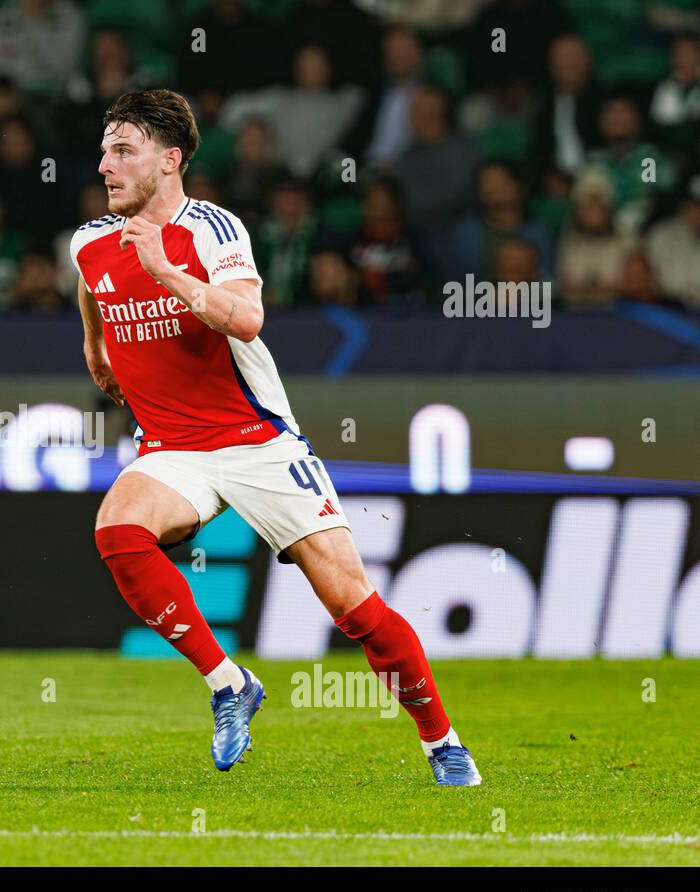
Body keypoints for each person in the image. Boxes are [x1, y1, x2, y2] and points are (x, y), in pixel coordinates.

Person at [72, 89, 480, 784]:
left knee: (355, 608)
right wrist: (95, 350)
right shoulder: (88, 244)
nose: (105, 165)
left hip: (258, 442)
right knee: (117, 530)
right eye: (105, 150)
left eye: (122, 151)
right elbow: (93, 295)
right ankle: (229, 683)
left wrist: (166, 273)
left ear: (169, 161)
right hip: (174, 449)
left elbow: (249, 319)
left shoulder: (212, 232)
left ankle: (442, 741)